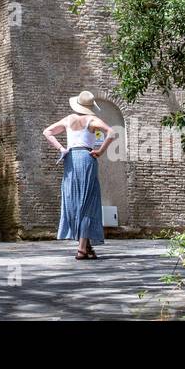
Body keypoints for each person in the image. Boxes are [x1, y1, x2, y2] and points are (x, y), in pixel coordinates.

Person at [42, 91, 113, 260]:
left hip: (70, 159)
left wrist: (61, 149)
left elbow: (47, 132)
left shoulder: (68, 119)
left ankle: (86, 246)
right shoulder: (92, 120)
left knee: (74, 200)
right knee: (88, 201)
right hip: (87, 158)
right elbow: (111, 132)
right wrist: (101, 151)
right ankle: (82, 249)